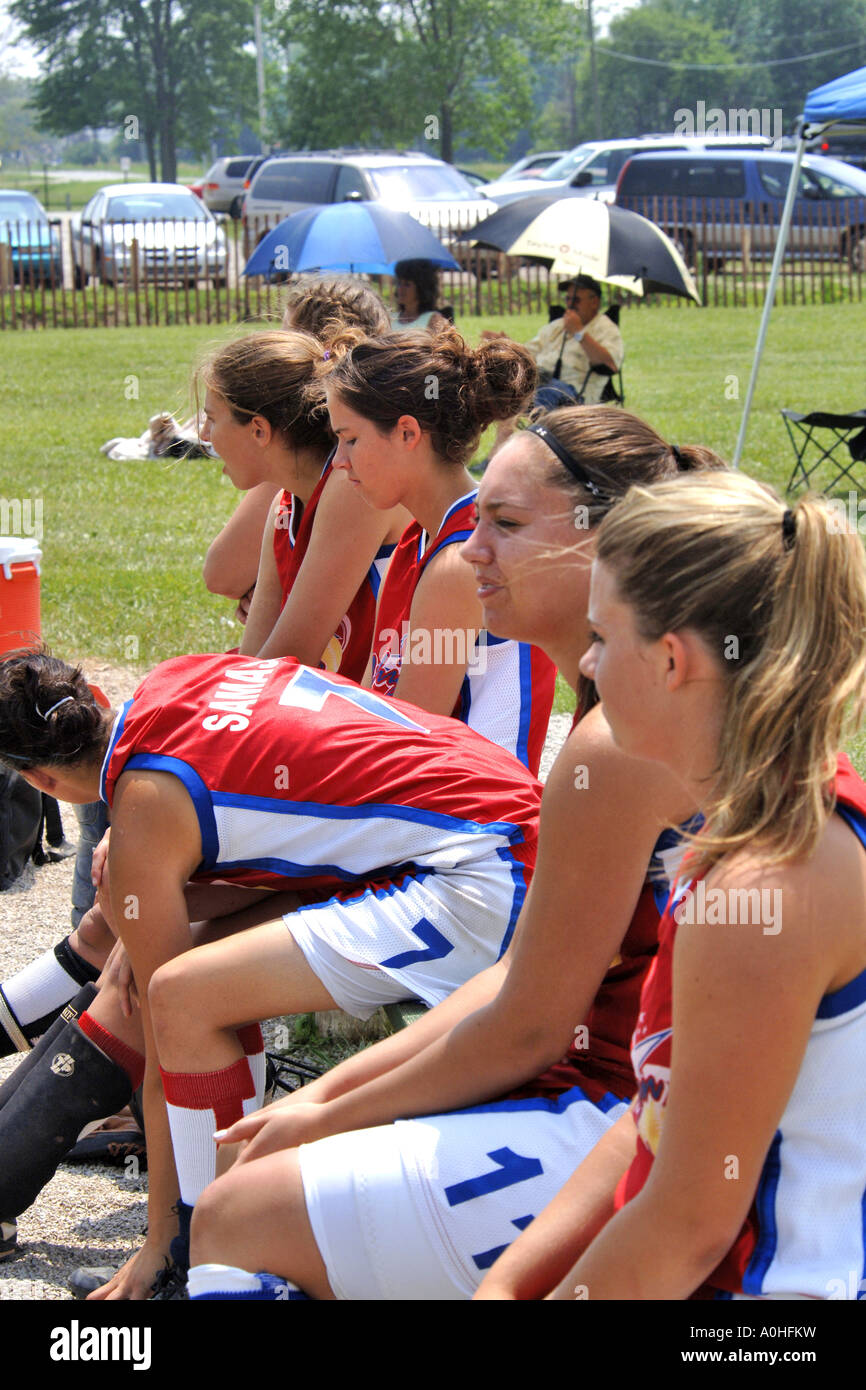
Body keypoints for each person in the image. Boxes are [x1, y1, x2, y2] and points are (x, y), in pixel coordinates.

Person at [177, 407, 727, 1302]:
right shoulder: (620, 704)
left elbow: (529, 1021)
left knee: (238, 1217)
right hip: (625, 1097)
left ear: (609, 541)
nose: (473, 548)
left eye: (506, 527)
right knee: (254, 1182)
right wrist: (328, 1100)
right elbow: (522, 985)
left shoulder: (626, 737)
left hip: (635, 1119)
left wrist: (327, 1112)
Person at [0, 646, 540, 1296]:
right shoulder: (179, 675)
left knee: (181, 997)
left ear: (41, 781)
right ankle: (222, 1222)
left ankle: (190, 1253)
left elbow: (166, 1024)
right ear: (99, 697)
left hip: (488, 874)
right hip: (505, 826)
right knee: (198, 977)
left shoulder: (145, 801)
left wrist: (154, 1239)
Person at [472, 470, 866, 1301]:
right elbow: (657, 1124)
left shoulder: (766, 885)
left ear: (673, 660)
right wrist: (510, 1286)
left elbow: (687, 1229)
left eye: (601, 638)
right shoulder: (789, 812)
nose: (586, 663)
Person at [319, 325, 556, 774]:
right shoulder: (419, 537)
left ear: (408, 433)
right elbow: (375, 701)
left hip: (475, 823)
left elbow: (407, 739)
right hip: (434, 802)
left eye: (349, 439)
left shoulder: (460, 562)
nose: (339, 462)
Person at [196, 330, 408, 678]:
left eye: (212, 418)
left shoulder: (350, 487)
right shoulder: (284, 503)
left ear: (259, 431)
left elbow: (288, 660)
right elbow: (256, 660)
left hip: (422, 719)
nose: (205, 435)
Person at [203, 275, 392, 621]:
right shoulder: (289, 497)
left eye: (282, 336)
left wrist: (284, 603)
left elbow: (223, 574)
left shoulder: (351, 479)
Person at [481, 275, 624, 458]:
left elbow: (610, 364)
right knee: (509, 388)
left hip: (574, 393)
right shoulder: (557, 325)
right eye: (568, 299)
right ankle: (498, 453)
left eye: (576, 299)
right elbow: (528, 354)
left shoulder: (606, 328)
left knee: (543, 392)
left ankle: (527, 454)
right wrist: (506, 344)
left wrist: (579, 333)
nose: (570, 304)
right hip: (541, 380)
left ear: (594, 302)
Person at [389, 259, 449, 333]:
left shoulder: (434, 320)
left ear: (422, 288)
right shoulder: (391, 319)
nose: (400, 288)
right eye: (399, 283)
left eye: (407, 284)